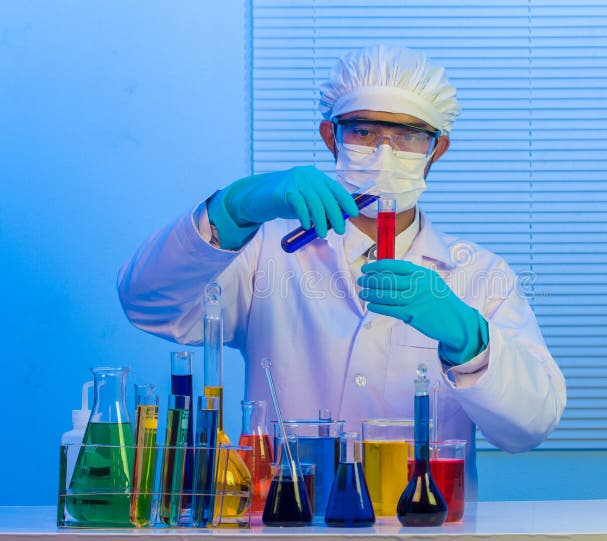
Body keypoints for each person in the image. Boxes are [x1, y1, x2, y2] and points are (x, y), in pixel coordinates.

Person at [118, 44, 566, 499]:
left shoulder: (479, 275)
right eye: (364, 131)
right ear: (331, 138)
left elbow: (529, 426)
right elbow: (148, 304)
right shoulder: (265, 252)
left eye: (409, 135)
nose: (385, 152)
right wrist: (235, 206)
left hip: (422, 523)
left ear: (437, 150)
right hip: (288, 517)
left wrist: (466, 335)